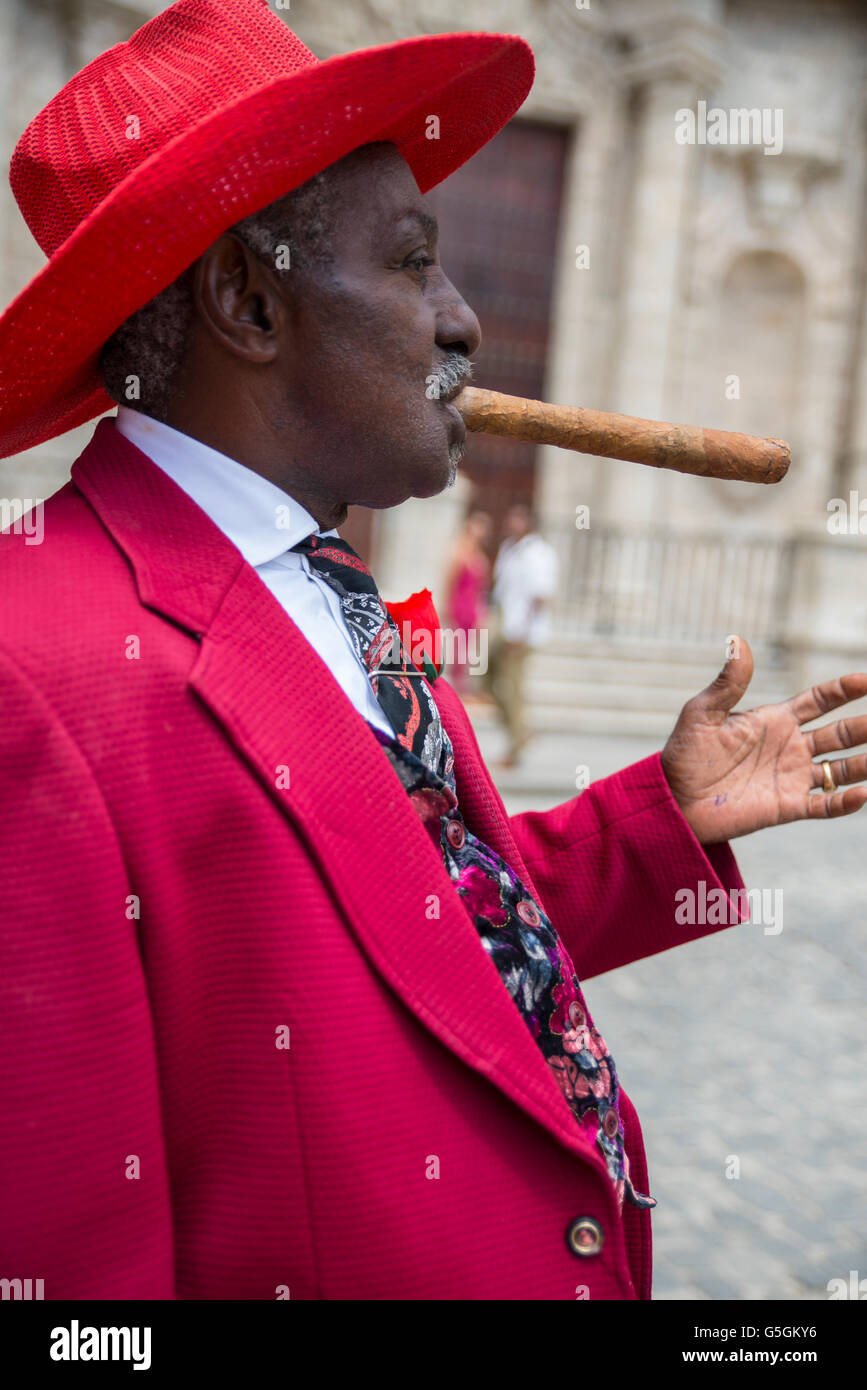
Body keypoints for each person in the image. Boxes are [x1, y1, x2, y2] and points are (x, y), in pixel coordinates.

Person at [2, 0, 867, 1302]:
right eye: (411, 264)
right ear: (247, 299)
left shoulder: (332, 591)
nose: (461, 321)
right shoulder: (34, 672)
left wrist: (655, 823)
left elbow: (410, 931)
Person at [487, 501, 558, 765]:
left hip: (522, 631)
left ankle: (515, 748)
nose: (511, 523)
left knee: (512, 687)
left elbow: (540, 597)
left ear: (529, 522)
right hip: (503, 625)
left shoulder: (540, 554)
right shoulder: (509, 548)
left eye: (517, 518)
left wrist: (522, 632)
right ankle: (523, 731)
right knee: (484, 679)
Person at [443, 507, 492, 696]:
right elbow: (450, 580)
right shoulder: (460, 551)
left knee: (470, 646)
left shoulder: (479, 554)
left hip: (473, 605)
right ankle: (458, 686)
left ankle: (463, 685)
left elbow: (482, 588)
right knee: (459, 646)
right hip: (461, 604)